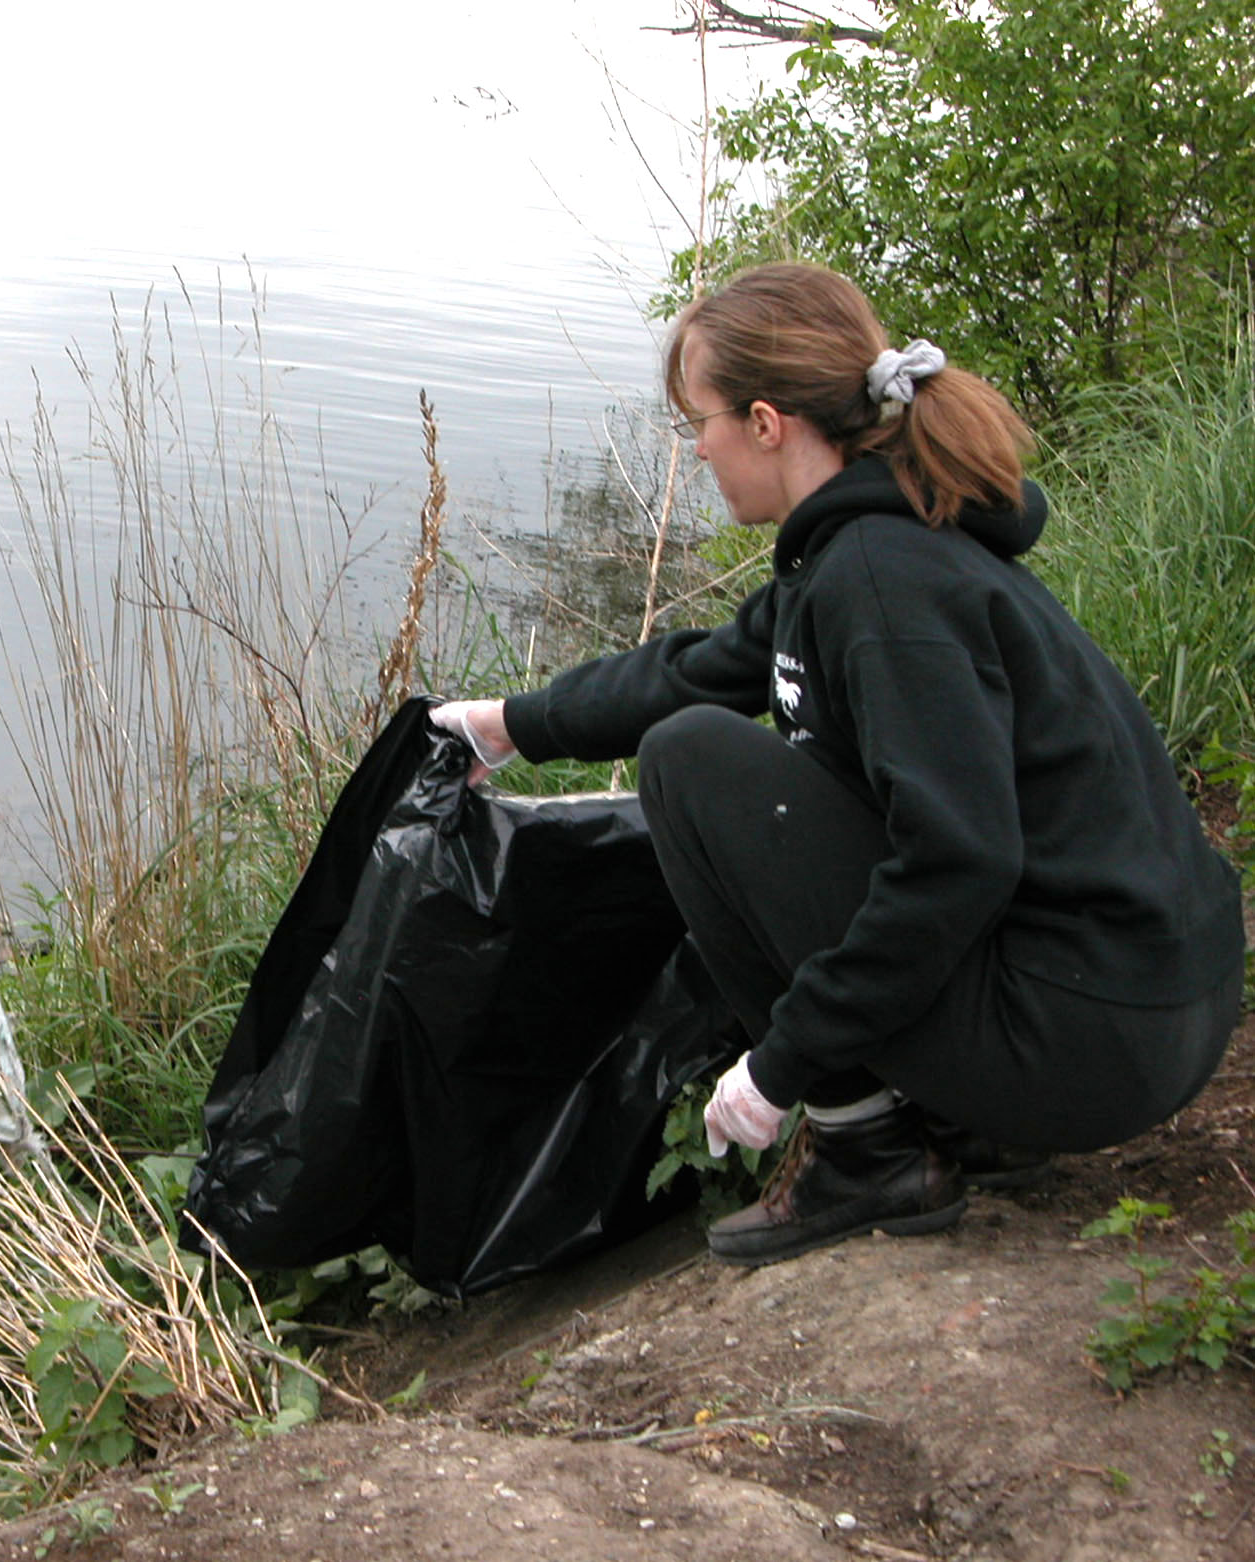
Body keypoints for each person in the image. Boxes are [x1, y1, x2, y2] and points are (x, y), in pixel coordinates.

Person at [430, 262, 1243, 1268]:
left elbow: (959, 860)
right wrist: (507, 723)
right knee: (702, 733)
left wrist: (782, 1066)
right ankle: (956, 1119)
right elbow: (700, 670)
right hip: (1137, 1001)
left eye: (704, 419)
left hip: (1094, 1037)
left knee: (691, 768)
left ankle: (866, 1144)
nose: (696, 445)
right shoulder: (873, 543)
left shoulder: (879, 583)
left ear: (767, 423)